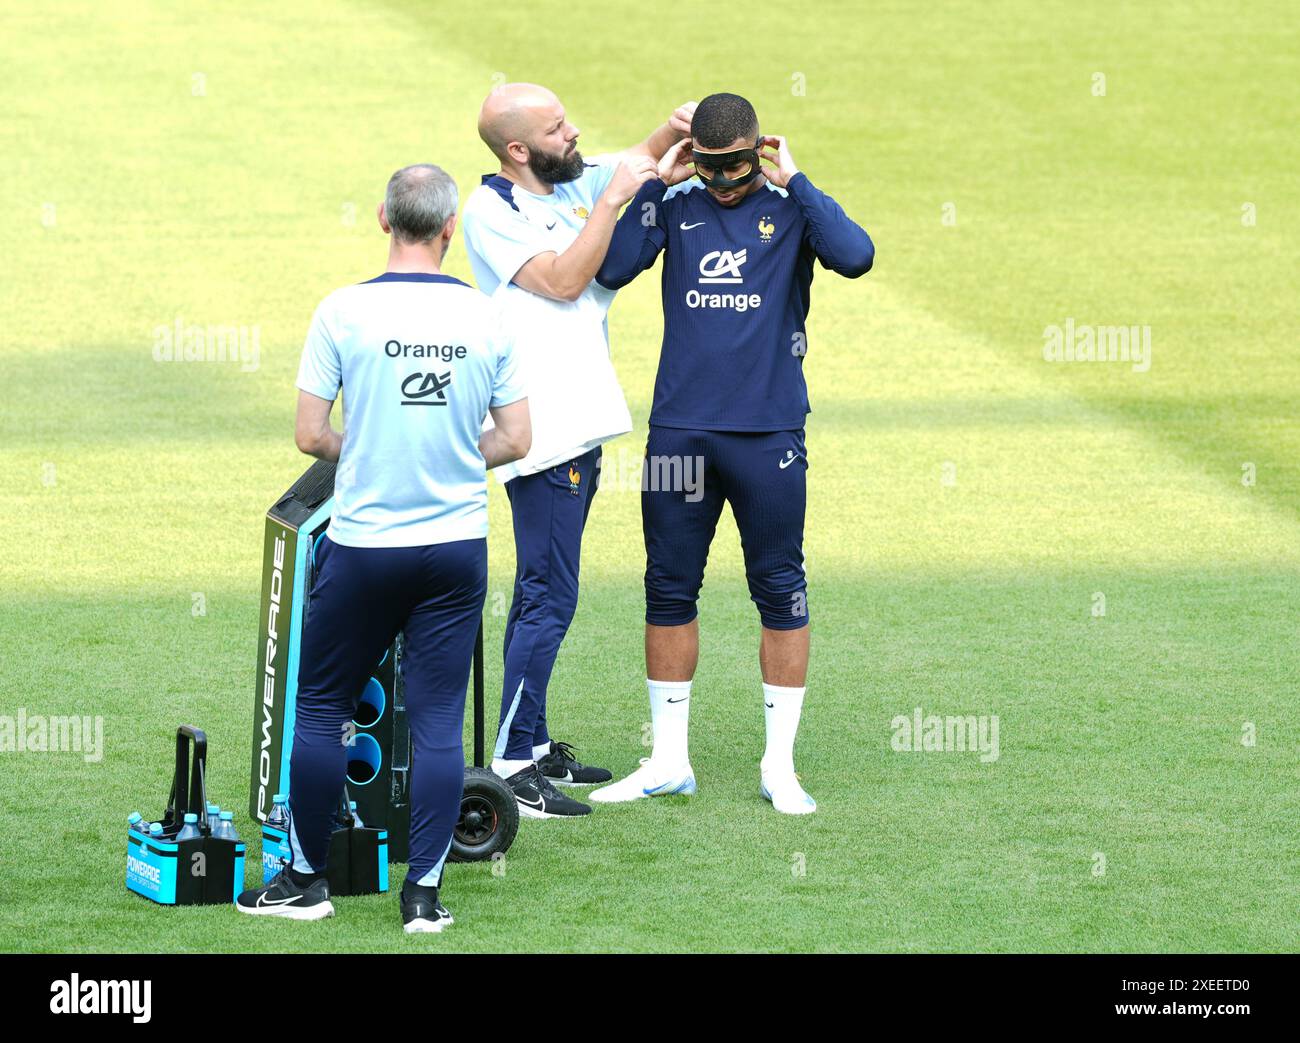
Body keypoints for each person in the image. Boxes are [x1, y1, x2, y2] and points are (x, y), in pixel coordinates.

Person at [236, 163, 530, 932]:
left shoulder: (342, 311)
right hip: (456, 547)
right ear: (449, 229)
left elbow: (309, 434)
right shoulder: (491, 317)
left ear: (381, 219)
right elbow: (517, 438)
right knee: (437, 721)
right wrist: (455, 458)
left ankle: (304, 885)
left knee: (321, 706)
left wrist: (366, 451)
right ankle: (423, 900)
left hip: (366, 545)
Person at [590, 92, 875, 814]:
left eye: (737, 166)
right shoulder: (676, 203)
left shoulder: (793, 210)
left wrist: (799, 183)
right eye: (709, 168)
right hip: (680, 431)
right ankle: (667, 760)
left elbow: (857, 254)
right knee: (668, 586)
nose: (721, 183)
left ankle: (779, 766)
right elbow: (613, 268)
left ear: (763, 149)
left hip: (769, 433)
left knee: (780, 587)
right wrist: (657, 177)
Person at [461, 83, 696, 818]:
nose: (576, 131)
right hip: (544, 431)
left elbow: (632, 164)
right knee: (547, 596)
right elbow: (564, 282)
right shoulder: (492, 211)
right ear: (518, 149)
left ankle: (528, 739)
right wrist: (611, 203)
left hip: (578, 428)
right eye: (559, 127)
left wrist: (667, 131)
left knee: (548, 591)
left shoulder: (563, 181)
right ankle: (511, 762)